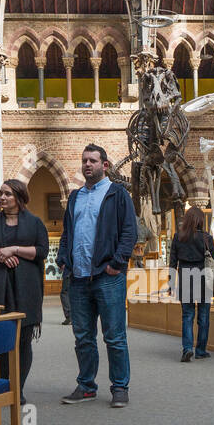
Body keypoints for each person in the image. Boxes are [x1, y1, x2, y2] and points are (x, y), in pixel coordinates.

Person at [56, 144, 138, 408]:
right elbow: (68, 232)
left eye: (92, 160)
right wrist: (63, 260)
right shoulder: (75, 197)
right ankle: (86, 386)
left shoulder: (117, 194)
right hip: (78, 278)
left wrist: (117, 262)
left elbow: (129, 232)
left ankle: (120, 387)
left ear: (105, 165)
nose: (87, 164)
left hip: (108, 276)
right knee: (83, 337)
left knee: (114, 336)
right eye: (84, 161)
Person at [0, 179, 48, 404]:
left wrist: (14, 249)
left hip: (27, 290)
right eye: (1, 193)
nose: (2, 197)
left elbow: (42, 251)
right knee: (1, 339)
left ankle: (18, 388)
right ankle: (2, 385)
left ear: (18, 197)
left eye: (7, 194)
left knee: (23, 341)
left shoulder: (34, 223)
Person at [168, 206, 214, 362]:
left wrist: (171, 284)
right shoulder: (206, 238)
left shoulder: (178, 237)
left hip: (185, 278)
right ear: (200, 220)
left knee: (187, 316)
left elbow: (172, 262)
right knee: (203, 317)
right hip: (203, 279)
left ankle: (187, 348)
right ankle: (201, 350)